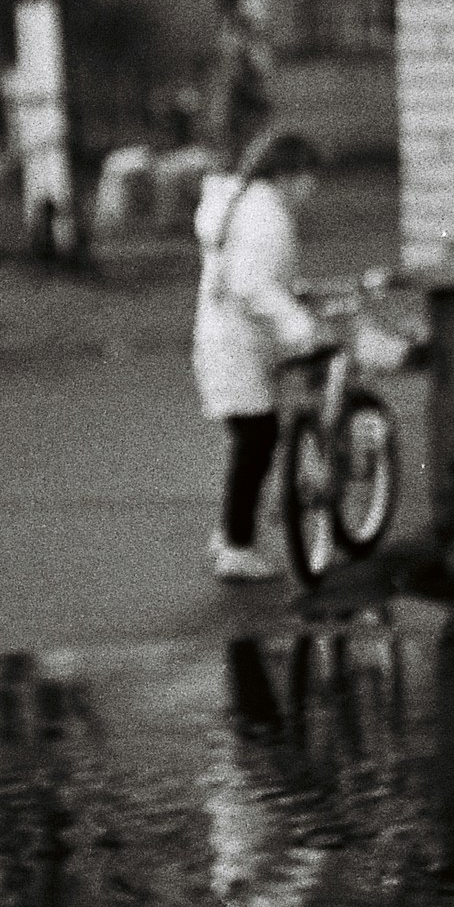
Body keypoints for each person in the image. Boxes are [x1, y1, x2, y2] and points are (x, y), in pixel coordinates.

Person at [192, 125, 322, 582]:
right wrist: (297, 323)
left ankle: (231, 533)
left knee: (254, 439)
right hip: (237, 346)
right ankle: (235, 546)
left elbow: (249, 274)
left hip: (227, 341)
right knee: (256, 441)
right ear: (286, 174)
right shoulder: (266, 216)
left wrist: (292, 295)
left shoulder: (245, 204)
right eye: (309, 177)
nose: (313, 188)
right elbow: (251, 285)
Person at [206, 0, 277, 166]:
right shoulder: (236, 45)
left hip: (252, 110)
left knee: (252, 157)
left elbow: (265, 76)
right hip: (237, 111)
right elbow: (229, 80)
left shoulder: (256, 47)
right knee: (234, 160)